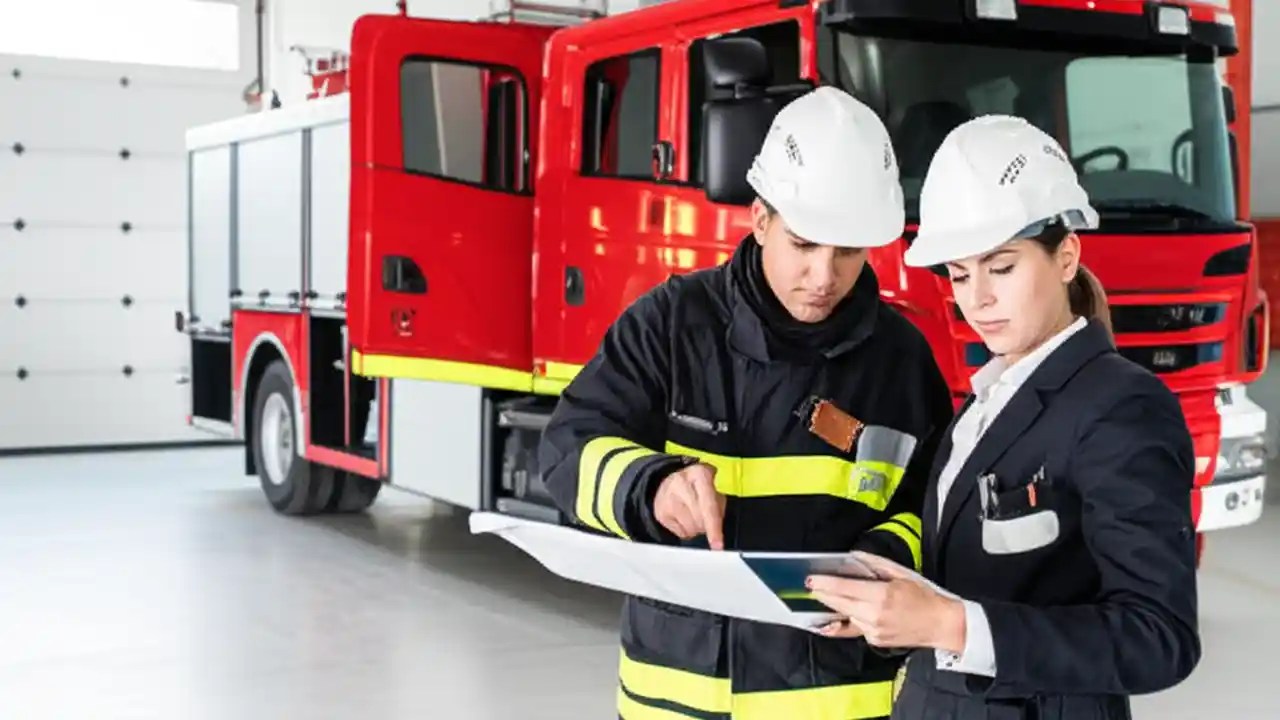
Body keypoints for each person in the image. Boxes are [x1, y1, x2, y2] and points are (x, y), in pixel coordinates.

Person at [538, 86, 955, 719]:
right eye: (805, 244)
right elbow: (567, 448)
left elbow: (934, 509)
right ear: (760, 220)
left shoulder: (901, 360)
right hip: (678, 699)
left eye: (847, 251)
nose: (824, 277)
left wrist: (888, 559)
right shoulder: (670, 325)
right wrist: (650, 489)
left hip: (839, 699)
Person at [806, 115, 1201, 720]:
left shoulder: (1121, 406)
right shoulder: (984, 404)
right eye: (960, 274)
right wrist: (889, 603)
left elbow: (1158, 638)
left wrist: (952, 624)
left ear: (1066, 256)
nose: (977, 299)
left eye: (1003, 266)